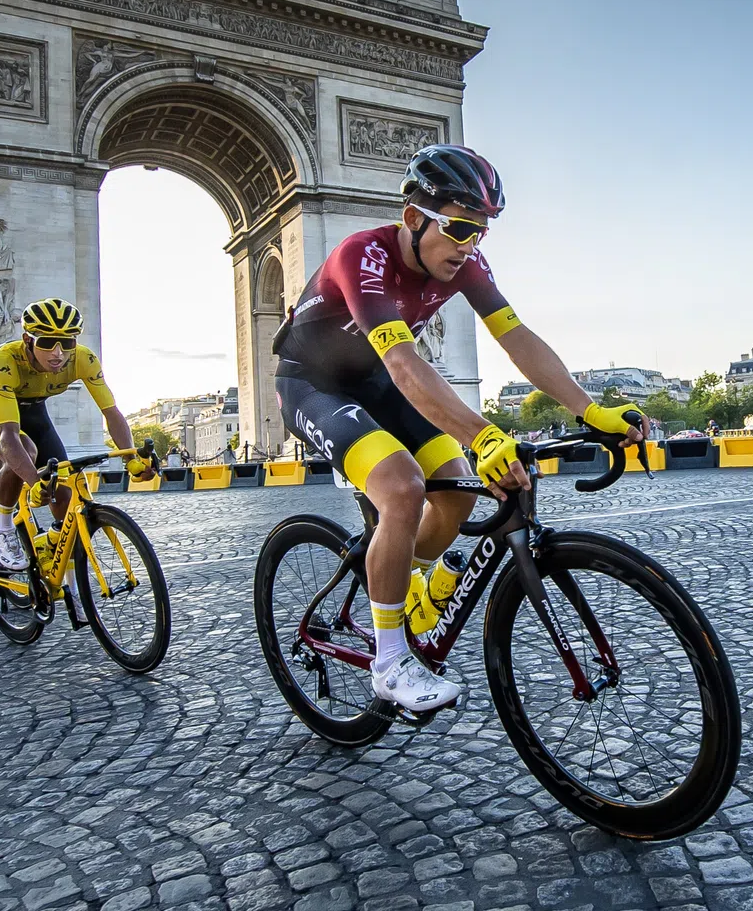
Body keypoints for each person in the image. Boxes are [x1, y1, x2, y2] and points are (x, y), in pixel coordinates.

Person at [274, 144, 647, 713]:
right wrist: (482, 434)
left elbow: (516, 336)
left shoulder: (464, 260)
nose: (470, 244)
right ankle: (391, 662)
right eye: (460, 228)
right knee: (402, 488)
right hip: (314, 384)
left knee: (452, 492)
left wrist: (588, 409)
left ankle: (407, 590)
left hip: (377, 379)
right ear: (413, 217)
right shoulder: (361, 256)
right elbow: (403, 362)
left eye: (482, 232)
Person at [0, 298, 150, 617]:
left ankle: (69, 582)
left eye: (67, 343)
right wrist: (33, 482)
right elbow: (8, 437)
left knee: (63, 491)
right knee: (24, 451)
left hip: (34, 410)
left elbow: (112, 413)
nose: (58, 353)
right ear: (27, 341)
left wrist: (131, 457)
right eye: (47, 343)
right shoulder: (3, 361)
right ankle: (4, 527)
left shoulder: (84, 359)